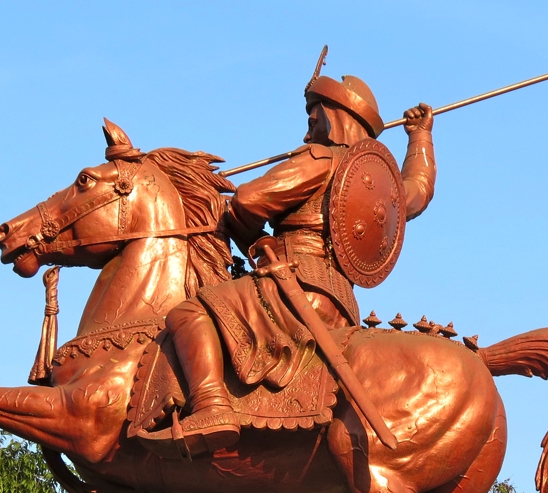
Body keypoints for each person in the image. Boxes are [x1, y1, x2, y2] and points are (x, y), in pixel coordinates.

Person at [162, 69, 438, 454]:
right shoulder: (381, 187)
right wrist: (420, 138)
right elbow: (418, 192)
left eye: (314, 114)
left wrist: (254, 238)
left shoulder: (320, 158)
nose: (308, 126)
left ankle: (211, 408)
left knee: (188, 313)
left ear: (336, 115)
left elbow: (248, 200)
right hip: (340, 305)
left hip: (294, 288)